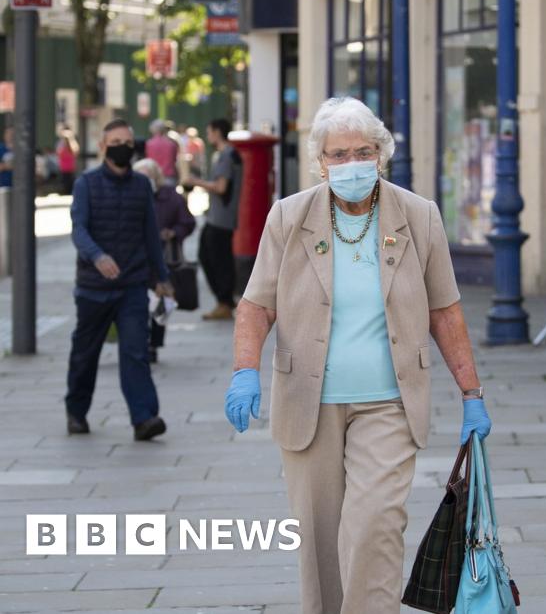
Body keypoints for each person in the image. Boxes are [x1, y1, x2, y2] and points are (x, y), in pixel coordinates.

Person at [224, 96, 491, 614]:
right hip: (308, 403)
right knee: (320, 547)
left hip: (388, 401)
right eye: (339, 154)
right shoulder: (288, 217)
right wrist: (244, 371)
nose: (352, 164)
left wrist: (471, 394)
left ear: (382, 154)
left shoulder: (418, 216)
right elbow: (256, 306)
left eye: (362, 151)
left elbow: (445, 312)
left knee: (374, 528)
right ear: (320, 162)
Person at [65, 119, 173, 440]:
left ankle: (144, 418)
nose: (123, 147)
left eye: (128, 142)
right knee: (86, 353)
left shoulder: (142, 186)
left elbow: (151, 236)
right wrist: (97, 256)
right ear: (102, 146)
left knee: (136, 352)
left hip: (132, 286)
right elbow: (78, 229)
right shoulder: (86, 184)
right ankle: (76, 411)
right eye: (115, 141)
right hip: (92, 288)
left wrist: (162, 277)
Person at [133, 158, 195, 363]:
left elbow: (188, 222)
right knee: (137, 305)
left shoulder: (171, 197)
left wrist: (173, 232)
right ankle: (138, 342)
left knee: (161, 302)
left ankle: (153, 345)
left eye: (148, 176)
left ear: (156, 176)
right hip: (136, 260)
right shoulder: (132, 195)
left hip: (163, 260)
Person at [190, 118, 241, 320]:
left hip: (220, 218)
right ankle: (225, 300)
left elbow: (221, 187)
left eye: (209, 131)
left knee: (216, 260)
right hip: (219, 217)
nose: (208, 135)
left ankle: (224, 302)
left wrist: (197, 182)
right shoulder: (226, 154)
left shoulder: (226, 155)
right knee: (212, 256)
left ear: (218, 132)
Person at [144, 119, 180, 188]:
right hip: (169, 178)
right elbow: (175, 161)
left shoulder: (149, 144)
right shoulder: (171, 144)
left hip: (153, 178)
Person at [56, 125, 79, 195]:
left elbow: (58, 153)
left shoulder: (66, 144)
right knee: (69, 180)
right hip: (68, 166)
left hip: (66, 167)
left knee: (67, 180)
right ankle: (69, 192)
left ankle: (68, 192)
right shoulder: (70, 144)